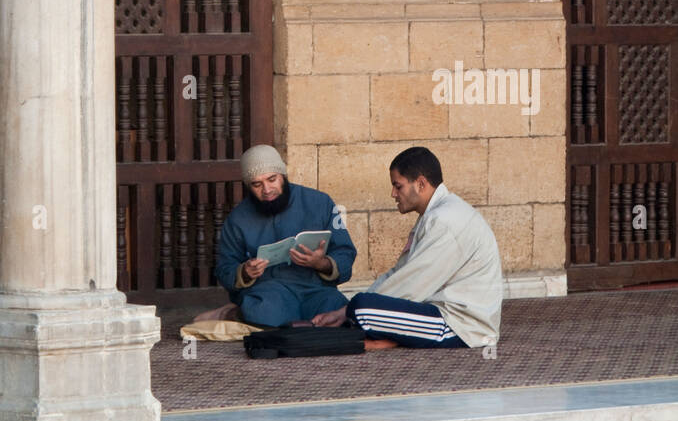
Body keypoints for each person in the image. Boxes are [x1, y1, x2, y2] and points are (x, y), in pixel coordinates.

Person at [312, 146, 502, 348]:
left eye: (398, 186)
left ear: (420, 184)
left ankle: (387, 339)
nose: (393, 193)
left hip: (463, 326)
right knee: (358, 305)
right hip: (440, 311)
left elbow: (414, 282)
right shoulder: (435, 215)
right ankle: (387, 335)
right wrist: (347, 308)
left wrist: (352, 309)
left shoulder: (445, 220)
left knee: (362, 309)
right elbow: (399, 272)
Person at [215, 145, 357, 326]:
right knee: (264, 313)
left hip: (315, 289)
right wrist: (245, 272)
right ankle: (236, 312)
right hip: (268, 292)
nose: (266, 190)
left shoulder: (321, 202)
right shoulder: (238, 218)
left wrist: (321, 263)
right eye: (257, 184)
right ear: (248, 186)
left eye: (272, 179)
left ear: (283, 175)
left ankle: (239, 314)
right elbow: (224, 268)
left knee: (339, 310)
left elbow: (345, 252)